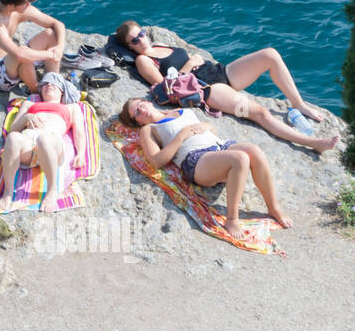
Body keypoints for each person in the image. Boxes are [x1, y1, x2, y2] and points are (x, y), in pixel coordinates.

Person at [113, 21, 339, 154]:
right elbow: (167, 87)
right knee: (259, 112)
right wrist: (191, 63)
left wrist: (196, 61)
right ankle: (314, 143)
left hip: (218, 72)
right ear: (129, 47)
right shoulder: (144, 61)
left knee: (270, 55)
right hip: (206, 88)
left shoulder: (159, 44)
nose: (142, 40)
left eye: (141, 33)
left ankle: (299, 105)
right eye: (135, 41)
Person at [119, 97, 292, 239]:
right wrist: (180, 137)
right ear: (138, 121)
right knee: (240, 159)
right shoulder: (149, 129)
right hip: (197, 159)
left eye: (141, 105)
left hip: (220, 146)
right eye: (136, 113)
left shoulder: (181, 110)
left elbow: (211, 130)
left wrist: (207, 126)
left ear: (147, 102)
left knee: (255, 151)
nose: (142, 110)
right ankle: (232, 219)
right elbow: (156, 161)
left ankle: (273, 207)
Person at [0, 76, 85, 213]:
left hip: (52, 144)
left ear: (62, 91)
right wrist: (27, 118)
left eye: (54, 84)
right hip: (28, 145)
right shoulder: (29, 104)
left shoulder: (72, 107)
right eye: (45, 84)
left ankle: (52, 190)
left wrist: (80, 153)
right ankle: (8, 192)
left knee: (43, 140)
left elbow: (79, 132)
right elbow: (13, 129)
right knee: (14, 137)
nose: (49, 85)